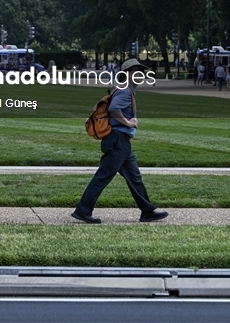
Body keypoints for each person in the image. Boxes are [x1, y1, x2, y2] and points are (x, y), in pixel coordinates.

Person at [72, 58, 168, 224]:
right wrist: (128, 122)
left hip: (121, 142)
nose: (140, 75)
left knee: (134, 177)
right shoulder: (124, 90)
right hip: (117, 140)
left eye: (142, 72)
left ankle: (147, 211)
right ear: (127, 74)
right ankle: (83, 211)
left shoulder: (126, 89)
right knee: (103, 176)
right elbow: (114, 108)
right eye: (136, 72)